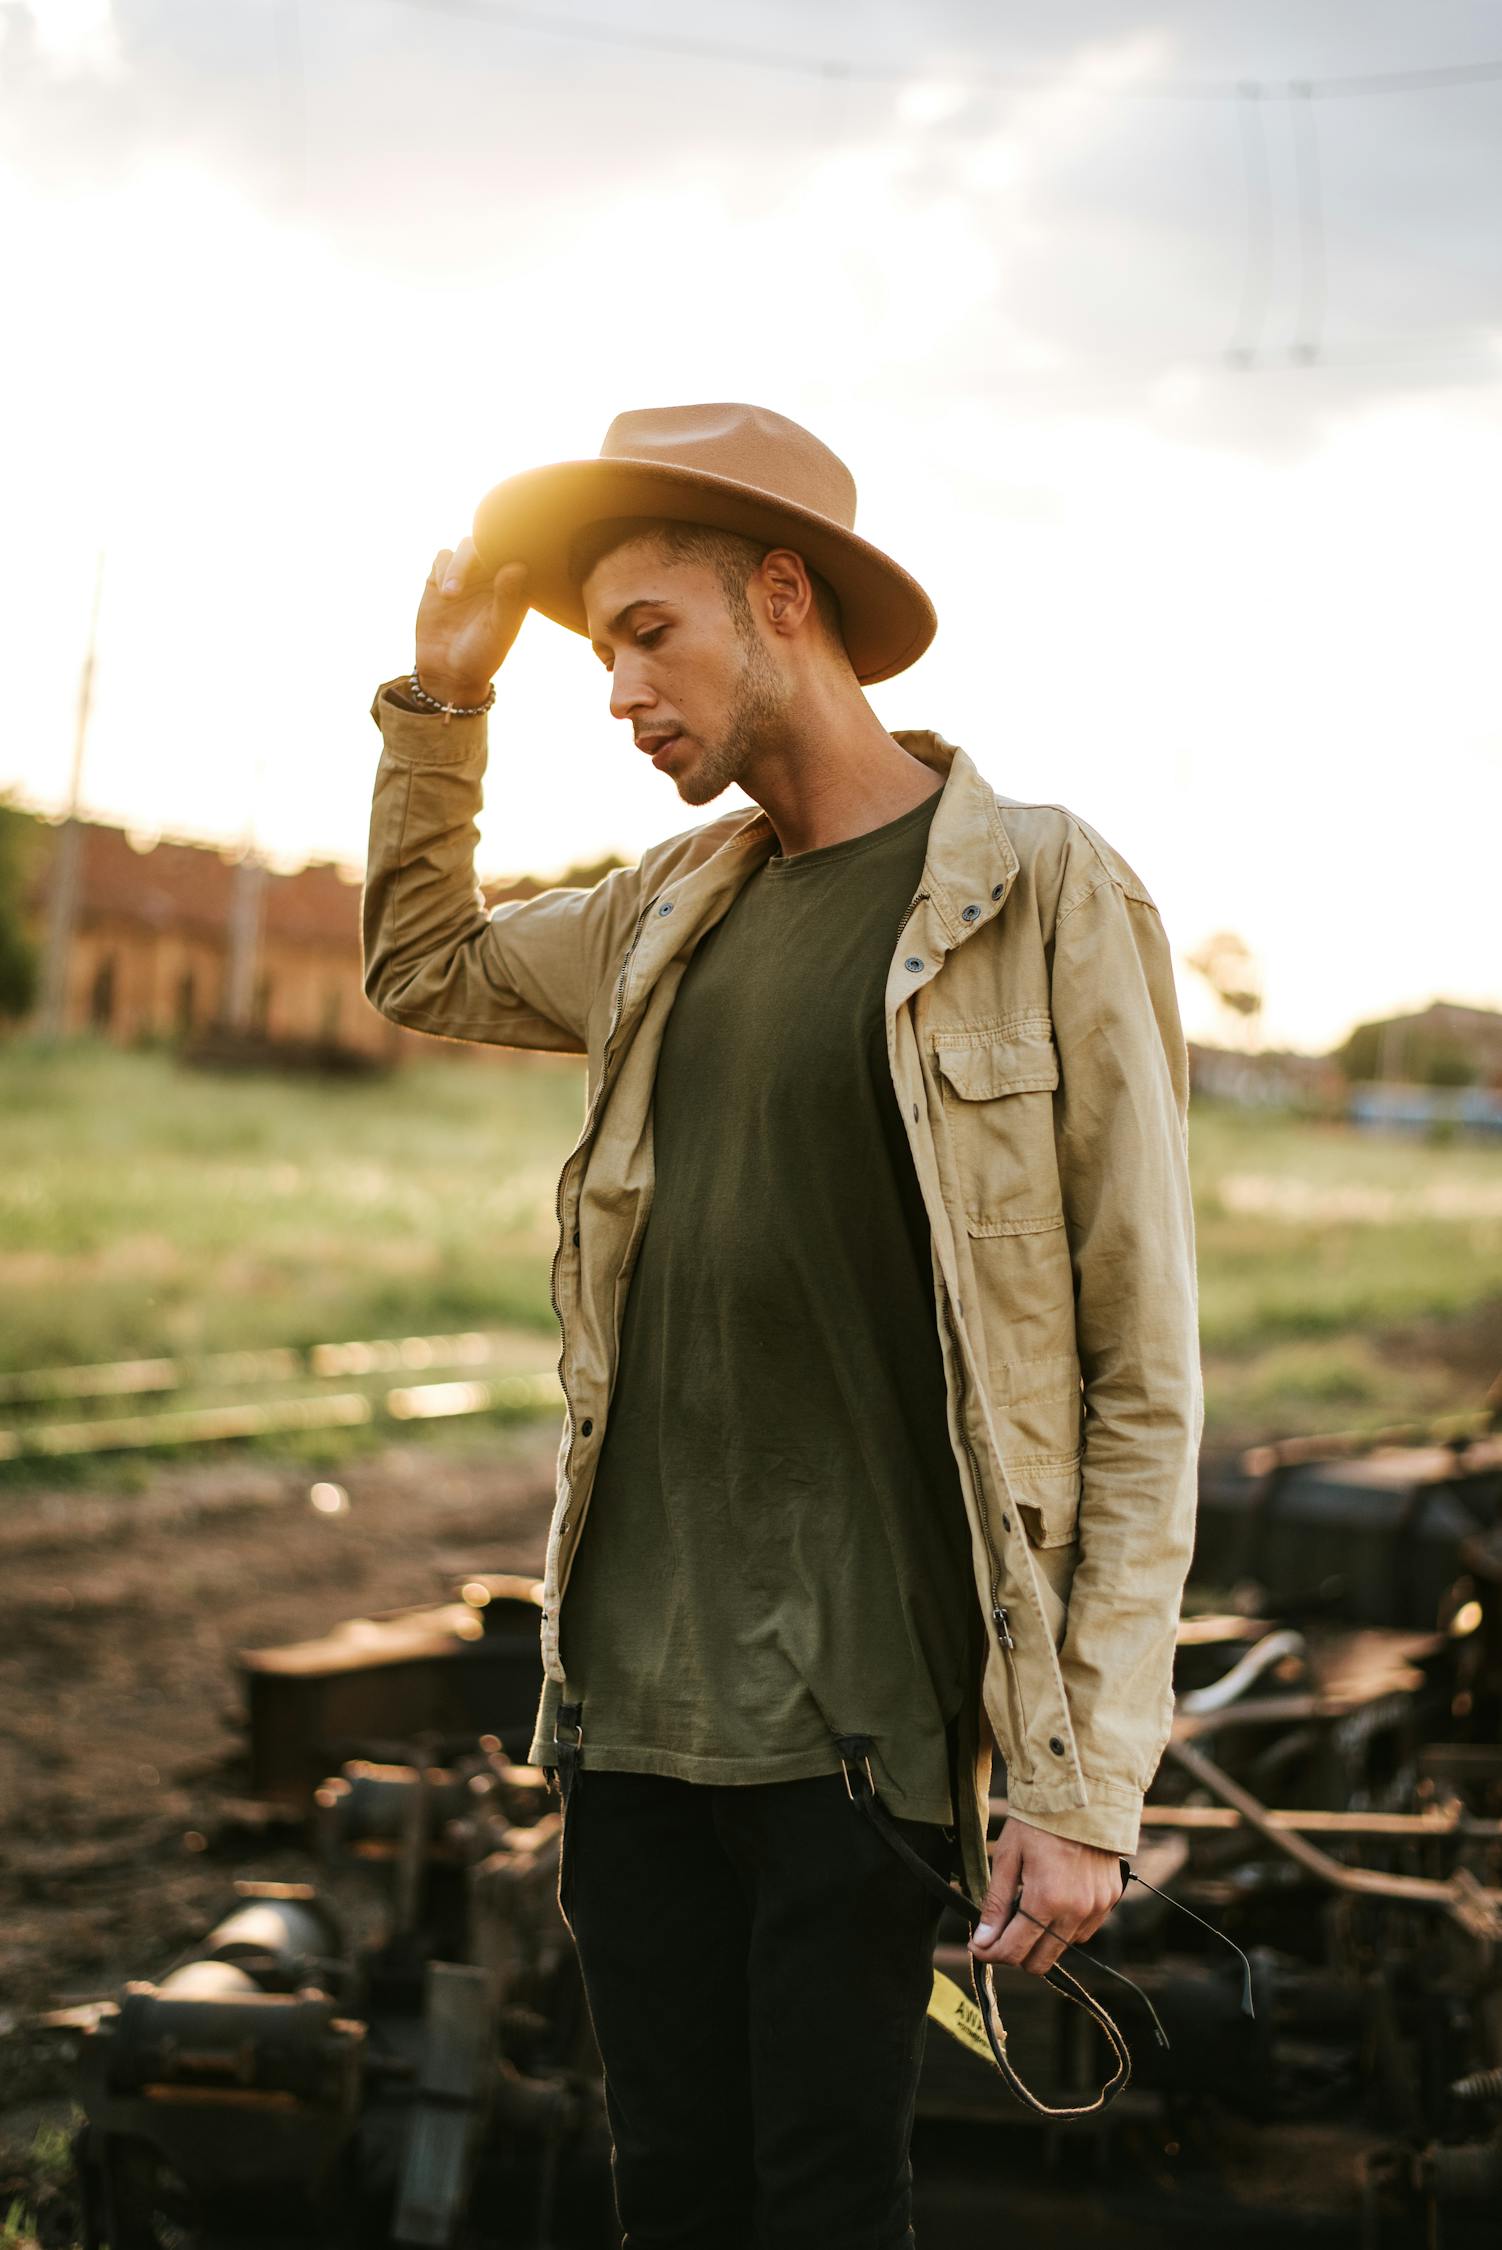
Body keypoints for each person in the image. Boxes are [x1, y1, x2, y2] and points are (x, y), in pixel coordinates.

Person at [361, 401, 1203, 2248]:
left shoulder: (1042, 891)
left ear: (779, 594)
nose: (619, 692)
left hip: (856, 1728)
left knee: (823, 2205)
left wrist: (1082, 1785)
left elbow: (1142, 1374)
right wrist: (441, 708)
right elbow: (420, 959)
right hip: (626, 1710)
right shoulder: (668, 906)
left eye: (645, 634)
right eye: (599, 654)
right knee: (666, 2190)